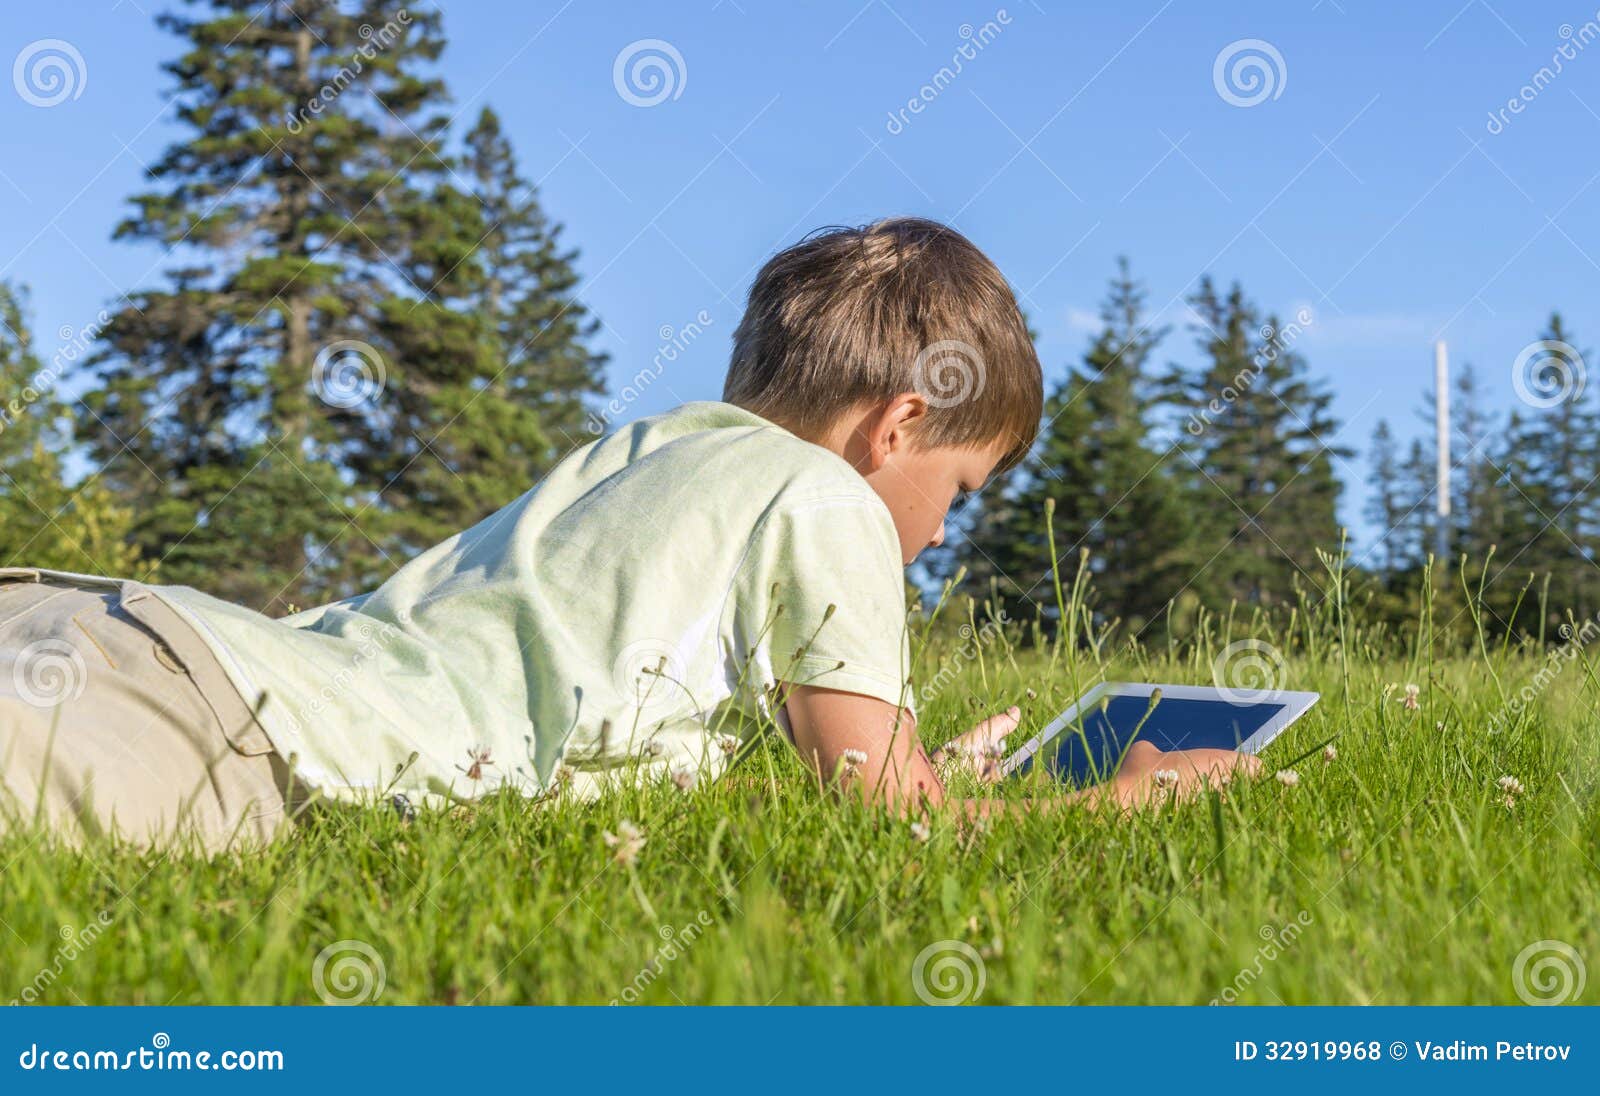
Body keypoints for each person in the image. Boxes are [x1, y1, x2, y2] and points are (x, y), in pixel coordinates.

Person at [0, 217, 1255, 850]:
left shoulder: (650, 455)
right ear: (898, 424)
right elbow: (889, 828)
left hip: (116, 631)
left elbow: (833, 765)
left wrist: (933, 764)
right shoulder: (827, 500)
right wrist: (1121, 802)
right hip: (209, 730)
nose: (935, 536)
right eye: (960, 490)